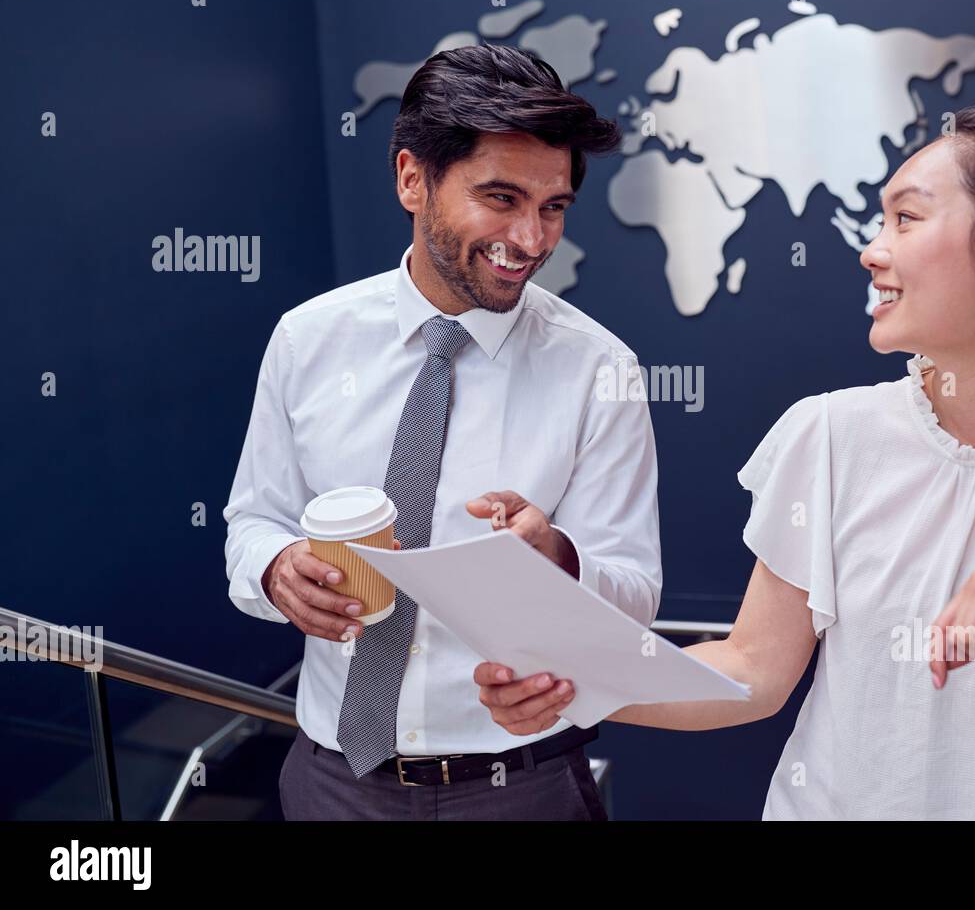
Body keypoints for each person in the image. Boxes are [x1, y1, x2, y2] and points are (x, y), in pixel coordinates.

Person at [475, 81, 975, 819]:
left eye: (906, 217)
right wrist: (574, 682)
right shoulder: (829, 434)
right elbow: (756, 671)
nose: (872, 249)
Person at [223, 45, 661, 820]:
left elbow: (633, 592)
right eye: (501, 198)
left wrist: (556, 556)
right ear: (411, 178)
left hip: (522, 787)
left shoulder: (601, 369)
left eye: (553, 206)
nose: (531, 239)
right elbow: (252, 521)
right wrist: (273, 568)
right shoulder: (306, 340)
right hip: (333, 784)